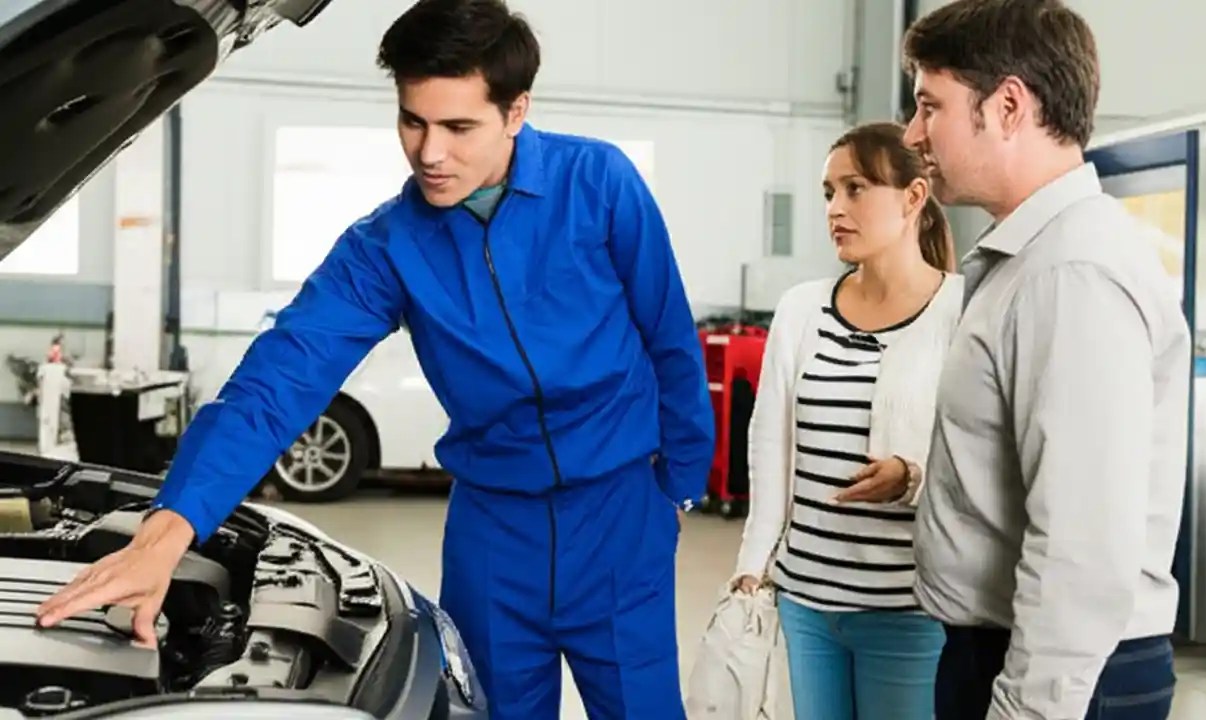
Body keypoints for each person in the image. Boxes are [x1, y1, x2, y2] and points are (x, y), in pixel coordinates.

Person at [34, 1, 715, 718]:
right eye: (412, 121)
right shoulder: (386, 246)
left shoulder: (600, 185)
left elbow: (668, 338)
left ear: (516, 112)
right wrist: (169, 529)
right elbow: (277, 381)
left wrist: (677, 488)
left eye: (458, 127)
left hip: (618, 515)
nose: (429, 153)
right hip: (492, 536)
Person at [900, 1, 1192, 719]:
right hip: (1015, 654)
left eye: (929, 106)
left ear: (1007, 106)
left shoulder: (1071, 274)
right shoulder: (1033, 259)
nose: (913, 135)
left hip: (1056, 676)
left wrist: (1028, 709)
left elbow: (1081, 546)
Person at [731, 122, 964, 720]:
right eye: (829, 193)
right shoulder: (802, 308)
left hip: (906, 608)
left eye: (856, 189)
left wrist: (910, 476)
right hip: (806, 602)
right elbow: (772, 443)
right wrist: (753, 567)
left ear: (914, 198)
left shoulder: (962, 311)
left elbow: (980, 455)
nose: (836, 208)